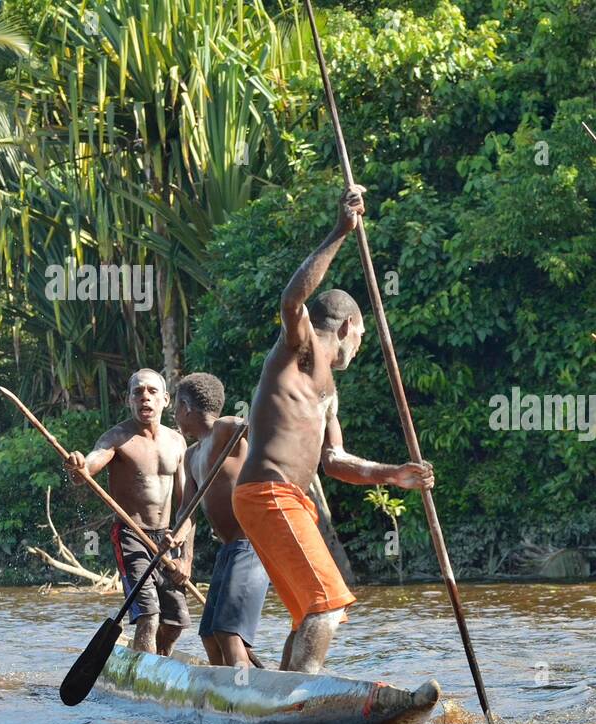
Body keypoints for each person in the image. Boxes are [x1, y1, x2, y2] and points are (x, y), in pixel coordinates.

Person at [232, 184, 434, 673]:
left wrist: (393, 474)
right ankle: (301, 702)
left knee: (308, 612)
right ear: (346, 327)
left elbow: (336, 461)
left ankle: (276, 696)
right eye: (360, 339)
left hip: (288, 498)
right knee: (328, 603)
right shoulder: (301, 350)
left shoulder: (329, 392)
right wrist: (341, 231)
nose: (359, 350)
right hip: (268, 492)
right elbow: (290, 300)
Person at [65, 369, 191, 655]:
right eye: (138, 392)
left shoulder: (177, 442)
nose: (144, 397)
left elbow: (188, 507)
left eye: (152, 391)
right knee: (148, 614)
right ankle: (145, 669)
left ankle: (158, 662)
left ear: (166, 400)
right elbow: (88, 468)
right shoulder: (117, 437)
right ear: (128, 400)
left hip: (168, 539)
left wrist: (186, 559)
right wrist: (78, 465)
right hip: (131, 534)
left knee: (175, 622)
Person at [172, 372, 269, 668]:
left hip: (251, 543)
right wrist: (175, 538)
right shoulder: (191, 457)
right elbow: (186, 513)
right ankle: (223, 693)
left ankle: (242, 696)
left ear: (186, 408)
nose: (174, 415)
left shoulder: (225, 428)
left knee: (229, 633)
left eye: (175, 407)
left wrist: (249, 429)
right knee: (210, 637)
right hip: (227, 551)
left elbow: (257, 433)